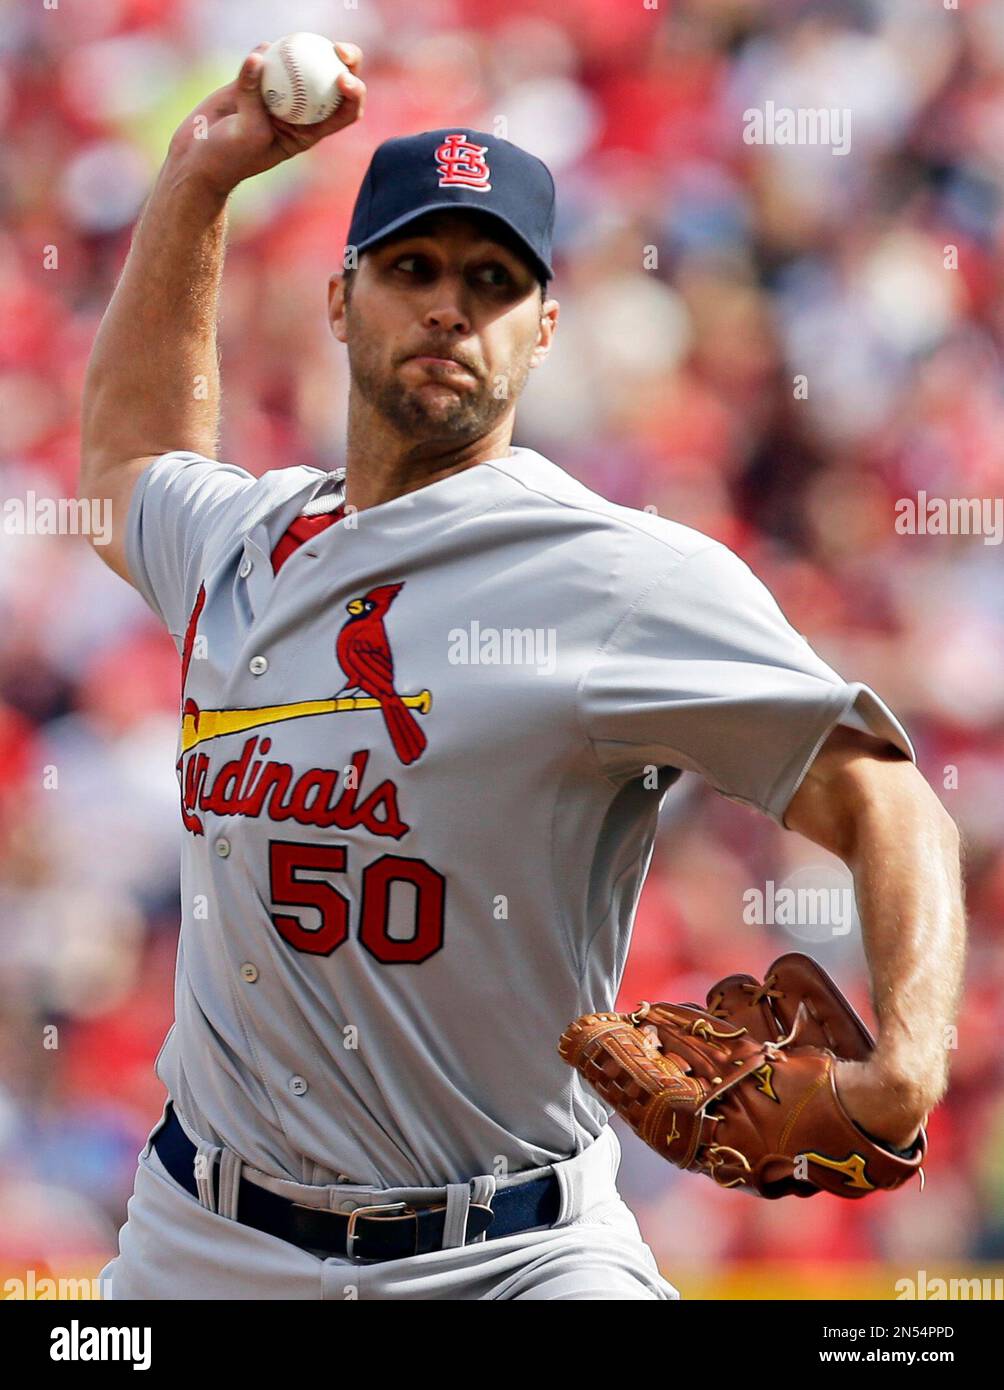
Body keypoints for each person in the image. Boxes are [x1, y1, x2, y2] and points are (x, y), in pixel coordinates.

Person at [79, 42, 965, 1301]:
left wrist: (911, 1065)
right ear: (340, 299)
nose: (449, 305)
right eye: (412, 268)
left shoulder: (615, 577)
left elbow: (886, 796)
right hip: (204, 1243)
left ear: (543, 329)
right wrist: (199, 179)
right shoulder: (239, 541)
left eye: (492, 282)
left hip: (509, 1253)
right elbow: (127, 459)